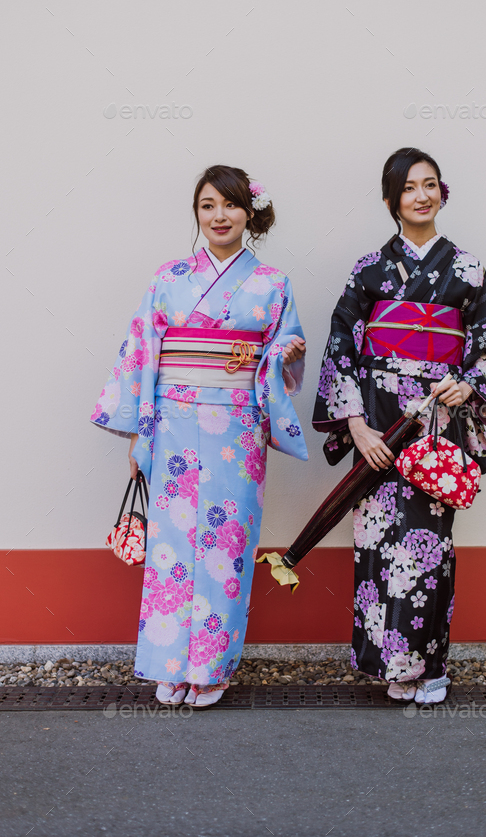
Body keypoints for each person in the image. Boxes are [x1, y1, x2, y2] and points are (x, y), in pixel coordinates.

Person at [92, 165, 307, 707]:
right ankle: (168, 662)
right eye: (208, 205)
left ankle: (211, 666)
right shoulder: (168, 279)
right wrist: (138, 433)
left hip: (236, 429)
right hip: (171, 421)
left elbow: (285, 345)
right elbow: (141, 354)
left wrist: (282, 353)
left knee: (225, 546)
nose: (219, 216)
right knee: (172, 545)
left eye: (230, 205)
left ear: (249, 213)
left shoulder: (272, 283)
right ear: (197, 212)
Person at [312, 148, 486, 704]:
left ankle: (429, 665)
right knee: (377, 536)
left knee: (429, 541)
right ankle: (387, 663)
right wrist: (354, 424)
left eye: (430, 185)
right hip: (378, 419)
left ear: (441, 193)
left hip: (438, 421)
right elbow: (341, 345)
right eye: (409, 188)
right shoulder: (369, 270)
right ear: (390, 200)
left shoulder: (467, 267)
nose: (421, 195)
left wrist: (470, 383)